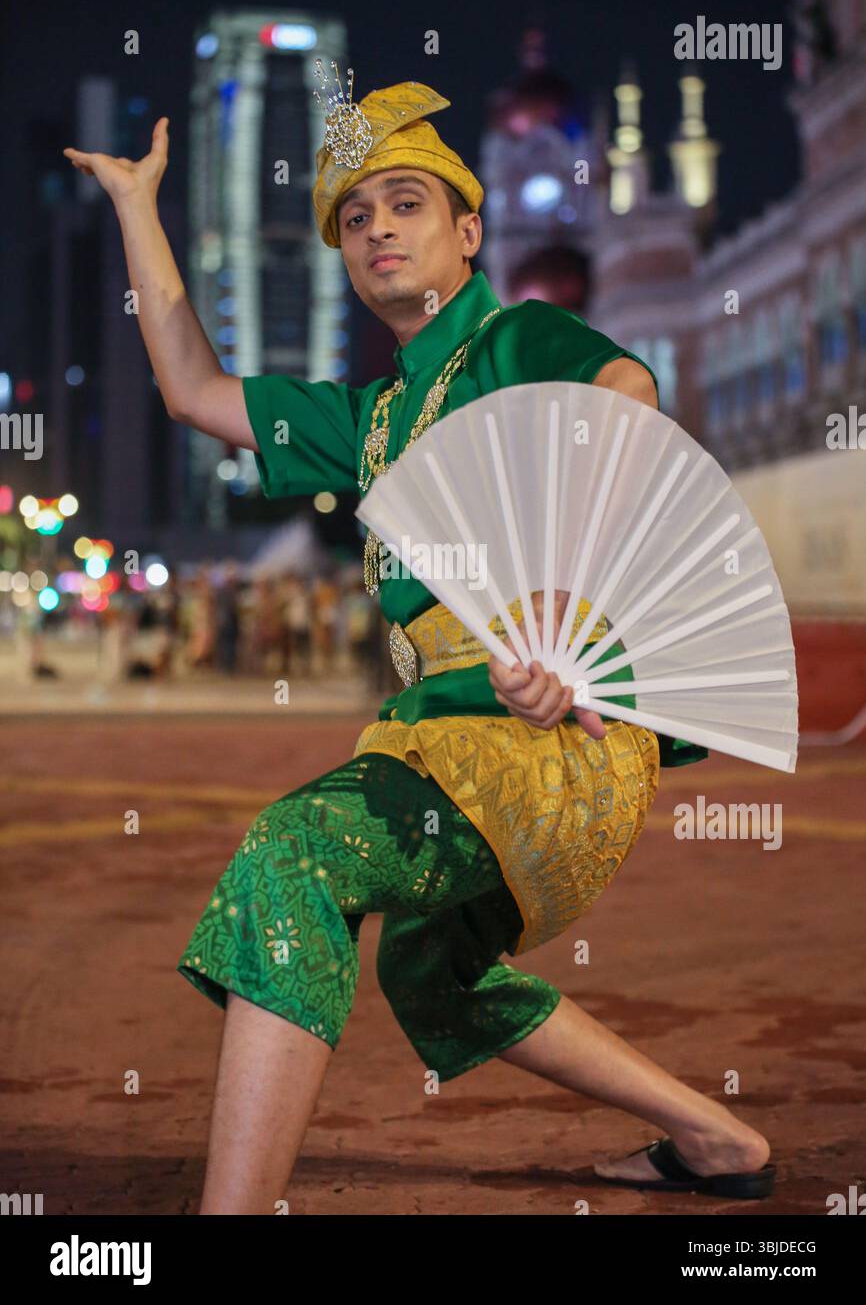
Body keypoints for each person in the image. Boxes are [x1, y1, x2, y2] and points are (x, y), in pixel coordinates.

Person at [64, 73, 774, 1213]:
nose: (377, 227)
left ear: (468, 230)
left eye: (405, 203)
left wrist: (560, 610)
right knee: (429, 977)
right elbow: (195, 390)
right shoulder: (377, 419)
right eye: (355, 216)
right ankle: (718, 1140)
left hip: (548, 740)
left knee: (291, 852)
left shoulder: (513, 338)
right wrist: (138, 205)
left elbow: (625, 391)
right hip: (454, 745)